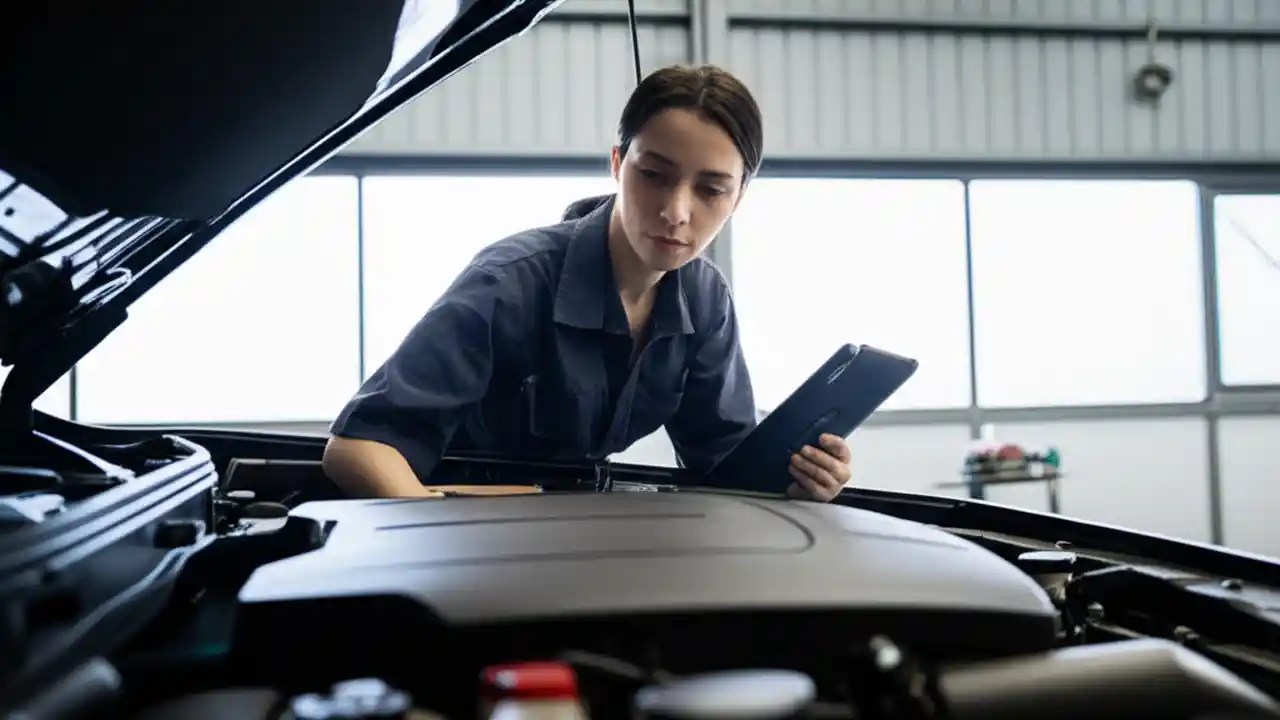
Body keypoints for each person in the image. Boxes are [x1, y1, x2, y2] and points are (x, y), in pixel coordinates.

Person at [322, 64, 853, 500]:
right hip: (461, 532)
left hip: (569, 524)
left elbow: (726, 467)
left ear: (737, 198)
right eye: (654, 174)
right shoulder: (510, 283)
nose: (675, 212)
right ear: (617, 163)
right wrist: (434, 522)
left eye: (710, 189)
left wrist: (799, 483)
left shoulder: (705, 299)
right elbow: (359, 448)